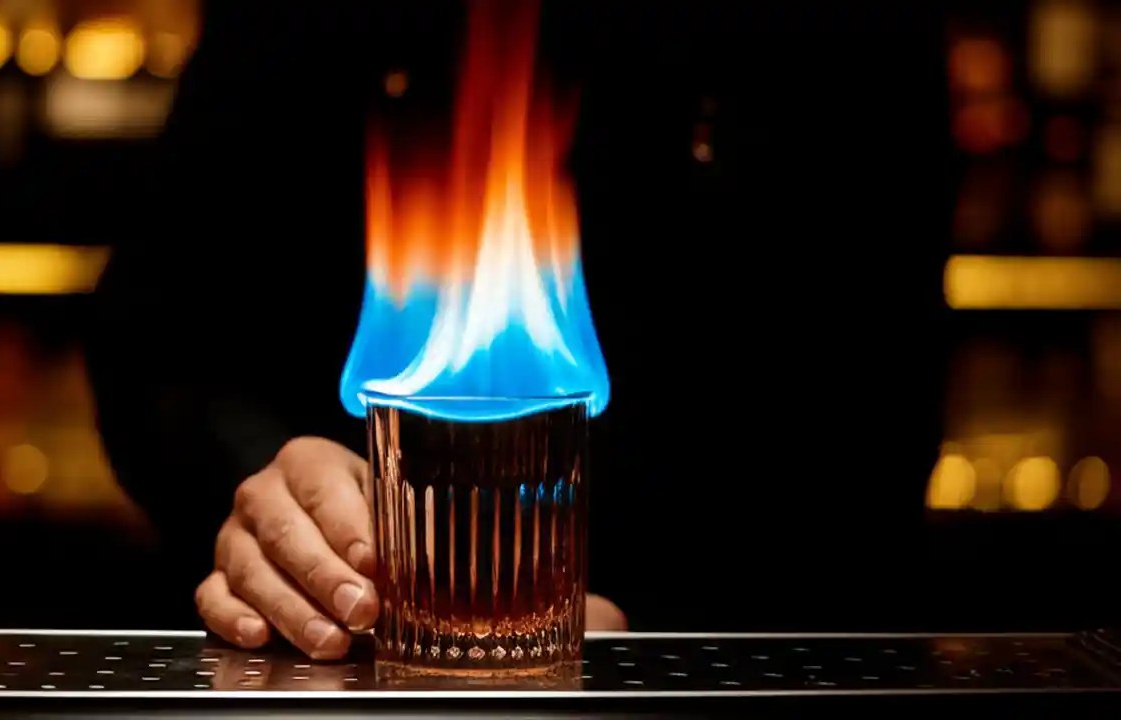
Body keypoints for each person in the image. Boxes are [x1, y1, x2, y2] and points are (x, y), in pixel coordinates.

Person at [86, 0, 949, 659]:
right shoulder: (301, 22)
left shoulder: (845, 35)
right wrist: (282, 511)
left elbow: (875, 409)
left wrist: (665, 635)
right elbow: (162, 341)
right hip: (355, 663)